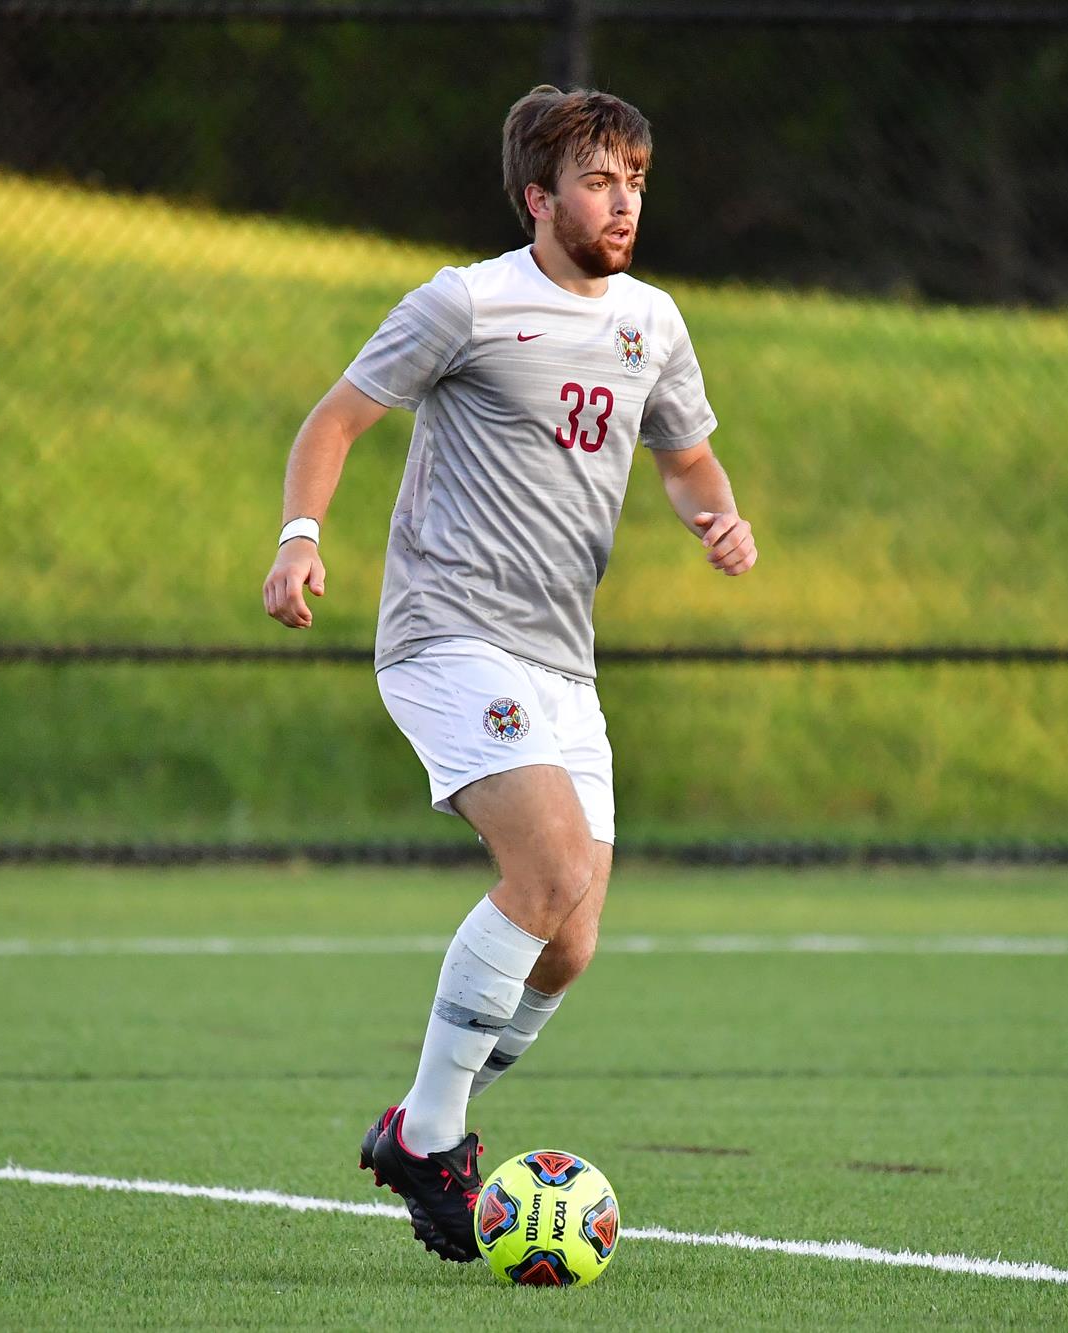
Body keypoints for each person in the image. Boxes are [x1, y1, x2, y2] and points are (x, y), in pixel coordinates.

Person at [261, 84, 757, 1262]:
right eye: (597, 180)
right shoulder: (465, 304)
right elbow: (332, 421)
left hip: (560, 659)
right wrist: (299, 539)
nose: (622, 199)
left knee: (569, 937)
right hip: (446, 631)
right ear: (538, 198)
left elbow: (684, 459)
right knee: (540, 867)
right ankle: (430, 1137)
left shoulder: (653, 322)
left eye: (634, 178)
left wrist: (715, 518)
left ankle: (419, 1126)